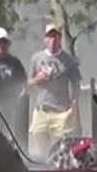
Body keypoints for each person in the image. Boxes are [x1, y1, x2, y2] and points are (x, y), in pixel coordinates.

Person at [26, 23, 82, 157]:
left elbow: (76, 84)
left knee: (60, 151)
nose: (52, 40)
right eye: (49, 37)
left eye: (55, 36)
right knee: (39, 151)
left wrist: (74, 103)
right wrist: (38, 79)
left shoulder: (68, 60)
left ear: (60, 38)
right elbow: (28, 84)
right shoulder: (37, 58)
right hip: (41, 111)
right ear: (45, 39)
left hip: (61, 113)